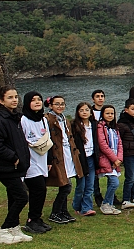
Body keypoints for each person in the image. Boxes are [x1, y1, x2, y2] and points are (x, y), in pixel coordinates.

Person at [0, 86, 33, 244]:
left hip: (15, 167)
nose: (14, 100)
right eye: (10, 97)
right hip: (6, 167)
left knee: (14, 198)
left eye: (16, 97)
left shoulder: (14, 118)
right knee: (21, 197)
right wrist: (13, 157)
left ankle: (14, 228)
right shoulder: (0, 119)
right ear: (1, 101)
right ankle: (4, 230)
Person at [44, 96, 83, 224]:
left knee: (67, 184)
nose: (60, 106)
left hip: (68, 154)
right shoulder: (47, 119)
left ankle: (63, 211)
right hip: (58, 155)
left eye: (62, 104)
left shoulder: (65, 119)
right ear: (51, 106)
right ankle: (56, 212)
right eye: (57, 104)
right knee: (65, 185)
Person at [20, 91, 53, 234]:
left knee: (41, 190)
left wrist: (49, 159)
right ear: (27, 103)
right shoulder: (23, 120)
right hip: (30, 161)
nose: (37, 102)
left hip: (42, 158)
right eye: (33, 100)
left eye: (39, 99)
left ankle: (37, 218)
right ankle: (31, 220)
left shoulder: (43, 119)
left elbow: (48, 140)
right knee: (38, 189)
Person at [71, 102, 98, 216]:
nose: (84, 112)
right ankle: (76, 205)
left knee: (90, 185)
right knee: (81, 185)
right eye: (81, 110)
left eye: (87, 110)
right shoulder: (75, 125)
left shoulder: (94, 124)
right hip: (80, 159)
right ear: (77, 112)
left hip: (91, 157)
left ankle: (86, 208)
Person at [95, 105, 123, 215]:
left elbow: (120, 143)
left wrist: (119, 159)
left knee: (113, 182)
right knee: (114, 182)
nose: (110, 115)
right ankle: (105, 203)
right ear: (102, 114)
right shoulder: (100, 127)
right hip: (106, 158)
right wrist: (114, 159)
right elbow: (103, 144)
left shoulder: (114, 127)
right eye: (107, 113)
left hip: (115, 159)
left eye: (112, 113)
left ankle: (110, 205)